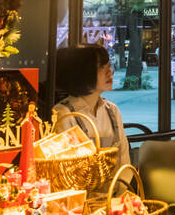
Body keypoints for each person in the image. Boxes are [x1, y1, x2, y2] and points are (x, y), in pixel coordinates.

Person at [52, 45, 131, 194]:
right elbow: (67, 174)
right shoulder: (64, 114)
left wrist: (118, 197)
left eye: (109, 66)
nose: (110, 72)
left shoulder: (112, 111)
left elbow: (124, 160)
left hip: (112, 202)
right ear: (83, 73)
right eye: (102, 67)